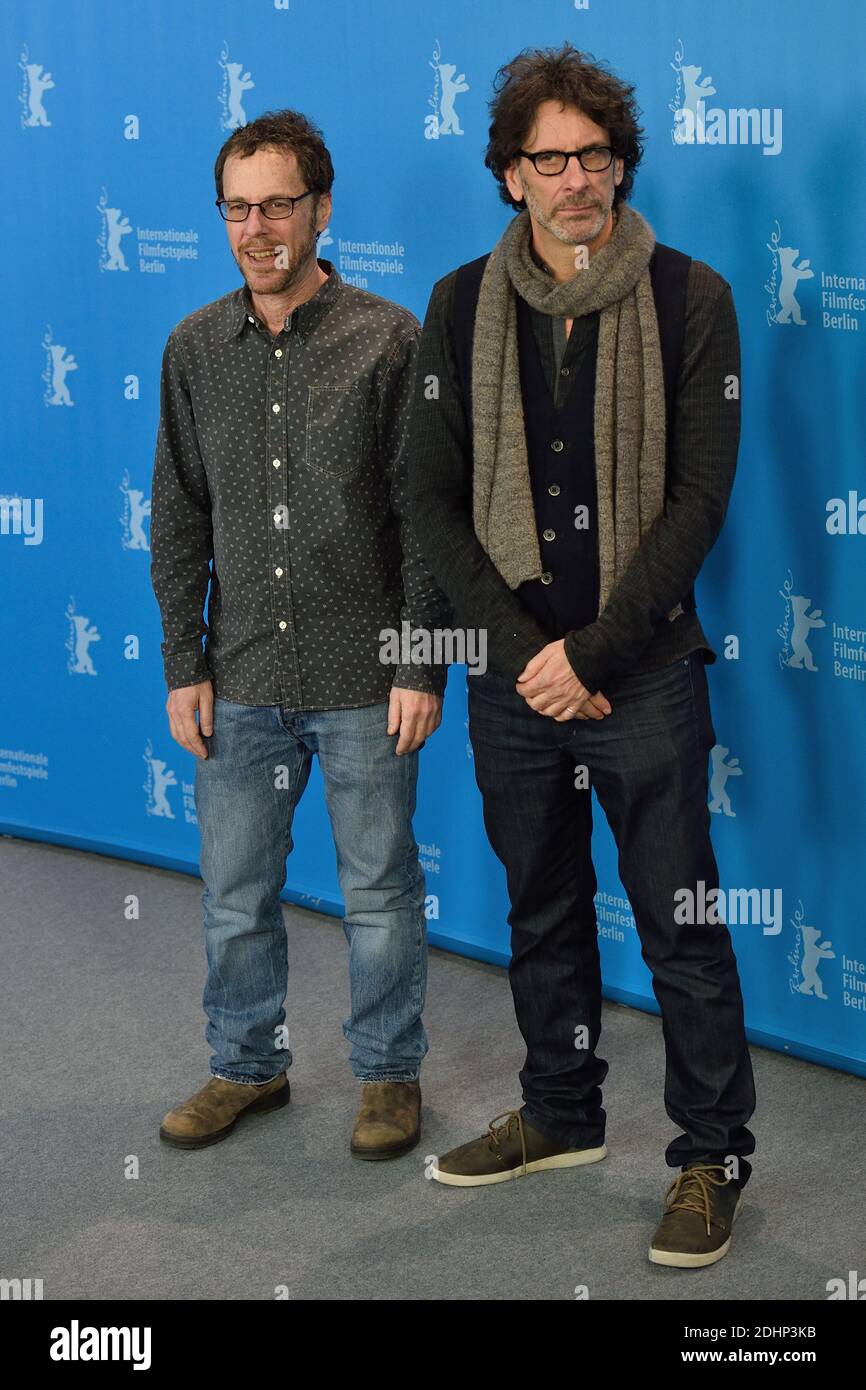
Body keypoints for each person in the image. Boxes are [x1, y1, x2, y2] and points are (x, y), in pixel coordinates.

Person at [407, 44, 756, 1267]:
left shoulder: (688, 298)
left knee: (680, 923)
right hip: (513, 681)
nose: (574, 181)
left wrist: (592, 649)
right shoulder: (457, 307)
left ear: (619, 165)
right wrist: (521, 654)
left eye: (592, 156)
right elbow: (431, 501)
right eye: (547, 159)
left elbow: (698, 503)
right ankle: (559, 1114)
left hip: (644, 669)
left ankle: (708, 1155)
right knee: (540, 907)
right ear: (509, 175)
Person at [150, 109, 449, 1160]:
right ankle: (246, 1065)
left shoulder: (388, 337)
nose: (257, 227)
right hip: (239, 673)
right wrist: (182, 662)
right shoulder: (192, 348)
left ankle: (386, 1077)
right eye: (238, 207)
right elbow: (178, 514)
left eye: (279, 203)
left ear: (320, 209)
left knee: (377, 892)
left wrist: (422, 663)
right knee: (235, 895)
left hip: (366, 674)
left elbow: (424, 518)